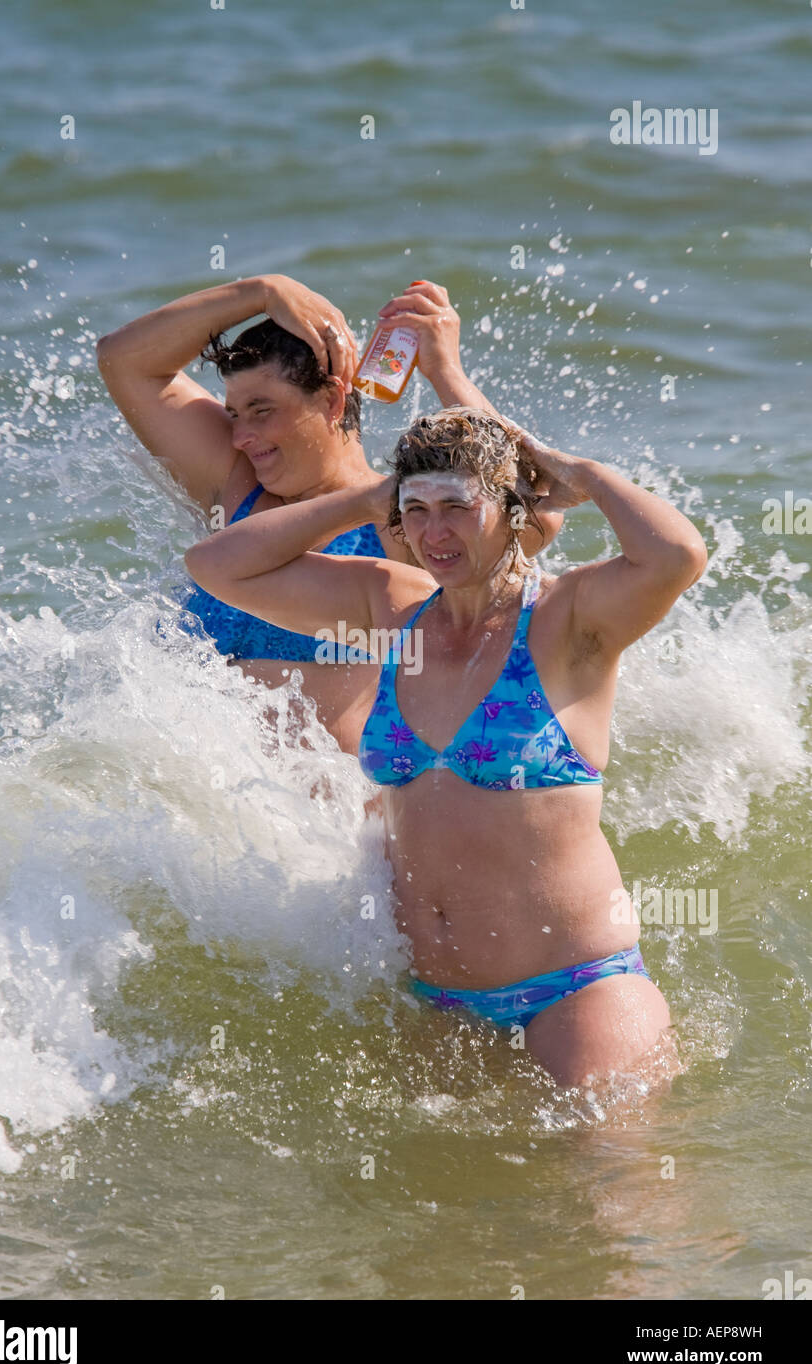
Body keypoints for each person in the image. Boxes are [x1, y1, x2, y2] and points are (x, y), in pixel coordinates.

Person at [182, 407, 708, 1088]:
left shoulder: (567, 619)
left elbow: (677, 555)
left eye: (458, 507)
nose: (434, 532)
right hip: (439, 1006)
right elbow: (215, 565)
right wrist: (367, 499)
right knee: (429, 1194)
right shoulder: (389, 609)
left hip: (579, 994)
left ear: (512, 509)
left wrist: (582, 475)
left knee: (607, 1188)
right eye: (417, 509)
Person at [97, 277, 559, 753]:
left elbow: (519, 510)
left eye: (261, 410)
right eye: (234, 414)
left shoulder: (405, 522)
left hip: (305, 812)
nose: (240, 436)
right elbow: (126, 362)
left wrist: (445, 370)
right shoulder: (235, 486)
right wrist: (261, 292)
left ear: (333, 399)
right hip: (168, 788)